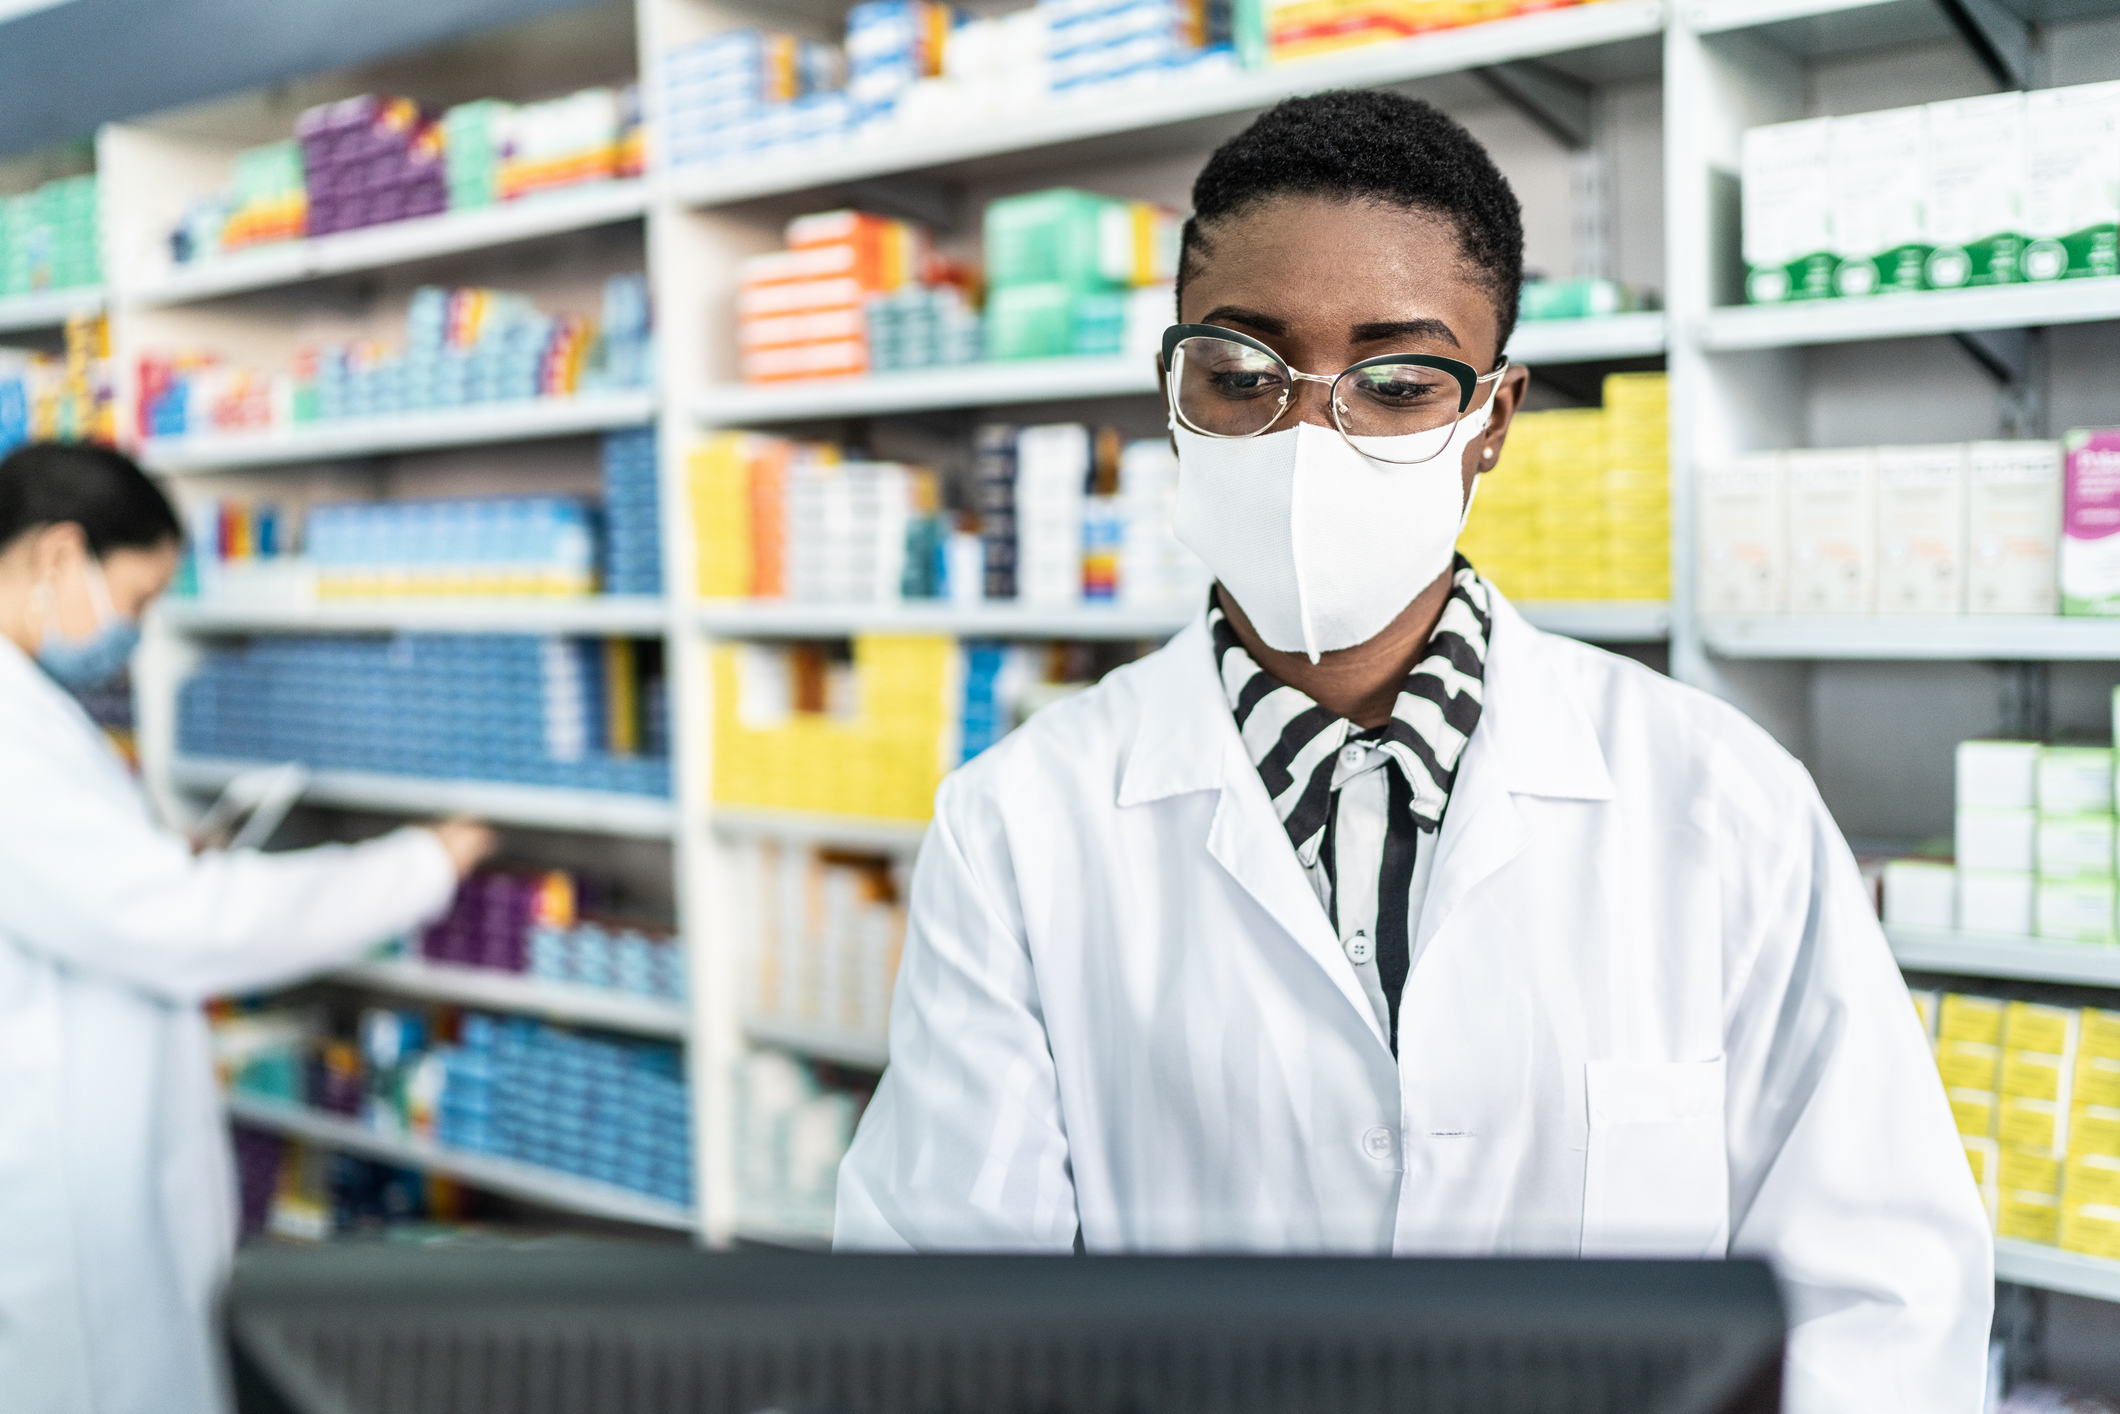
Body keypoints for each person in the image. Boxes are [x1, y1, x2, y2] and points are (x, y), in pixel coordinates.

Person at [834, 90, 1993, 1410]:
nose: (1305, 439)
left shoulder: (1722, 801)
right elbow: (947, 1319)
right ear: (1172, 391)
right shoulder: (1019, 825)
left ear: (1492, 417)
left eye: (1395, 382)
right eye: (1242, 372)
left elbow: (1881, 1299)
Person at [0, 442, 497, 1414]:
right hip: (57, 1204)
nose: (132, 634)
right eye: (137, 601)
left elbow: (99, 889)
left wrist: (158, 860)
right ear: (58, 555)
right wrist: (415, 866)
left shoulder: (33, 712)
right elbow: (173, 921)